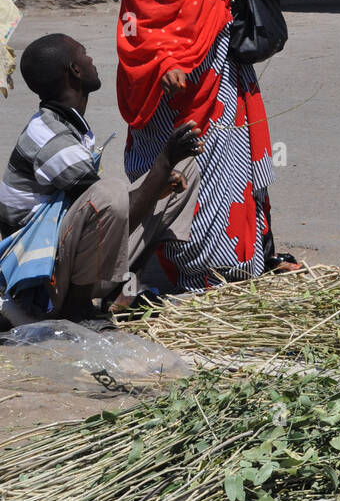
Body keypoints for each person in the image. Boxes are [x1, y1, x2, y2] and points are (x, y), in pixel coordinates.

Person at [117, 0, 299, 294]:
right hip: (167, 78)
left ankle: (242, 260)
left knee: (227, 158)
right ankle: (185, 265)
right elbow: (141, 7)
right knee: (176, 164)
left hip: (217, 54)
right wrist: (161, 62)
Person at [0, 33, 202, 329]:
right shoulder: (50, 138)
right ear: (75, 70)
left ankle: (124, 292)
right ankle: (75, 311)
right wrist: (162, 163)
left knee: (185, 168)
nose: (92, 59)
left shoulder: (66, 123)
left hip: (70, 255)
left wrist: (164, 176)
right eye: (84, 53)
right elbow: (111, 207)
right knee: (112, 192)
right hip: (40, 277)